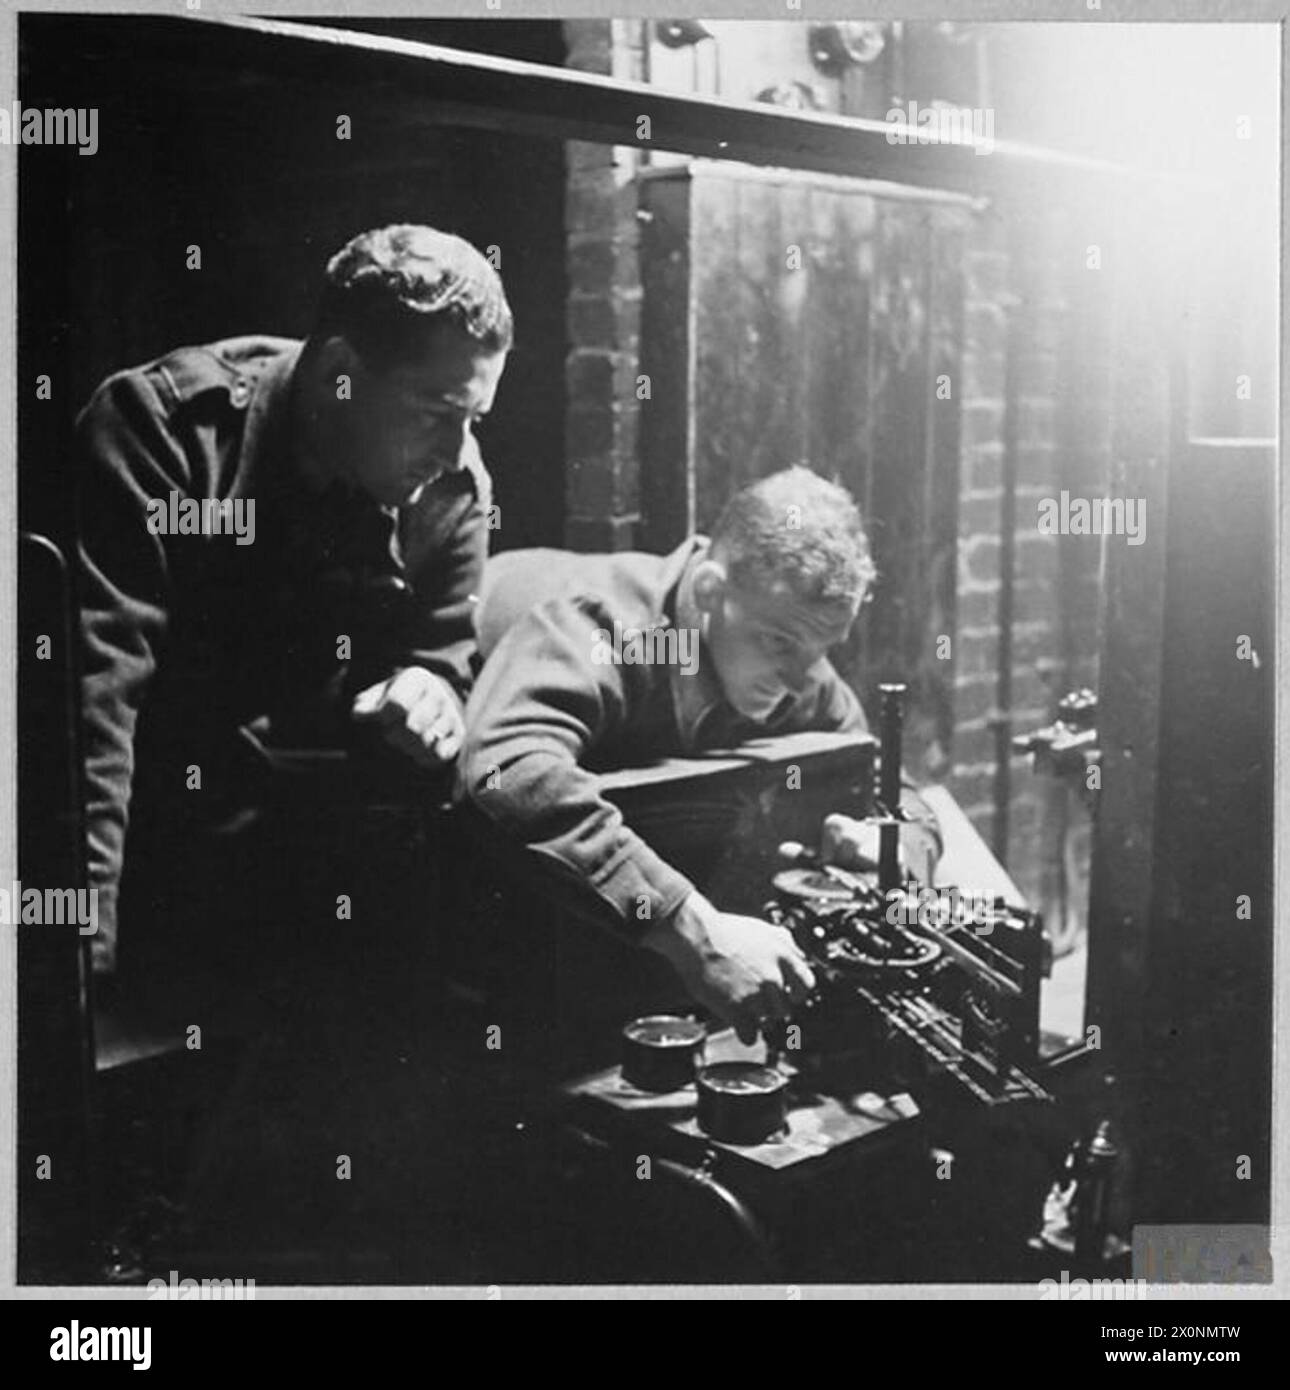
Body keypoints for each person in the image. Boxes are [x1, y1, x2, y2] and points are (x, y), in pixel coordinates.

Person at [75, 224, 511, 991]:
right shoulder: (165, 435)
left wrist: (430, 691)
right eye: (438, 411)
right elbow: (91, 719)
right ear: (341, 370)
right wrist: (73, 986)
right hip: (96, 829)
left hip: (245, 825)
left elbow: (443, 656)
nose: (457, 450)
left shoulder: (448, 490)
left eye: (475, 418)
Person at [457, 467, 941, 1043]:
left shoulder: (793, 658)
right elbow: (504, 768)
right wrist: (693, 929)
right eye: (779, 643)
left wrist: (893, 846)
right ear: (710, 591)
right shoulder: (612, 629)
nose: (797, 680)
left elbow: (892, 785)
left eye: (821, 649)